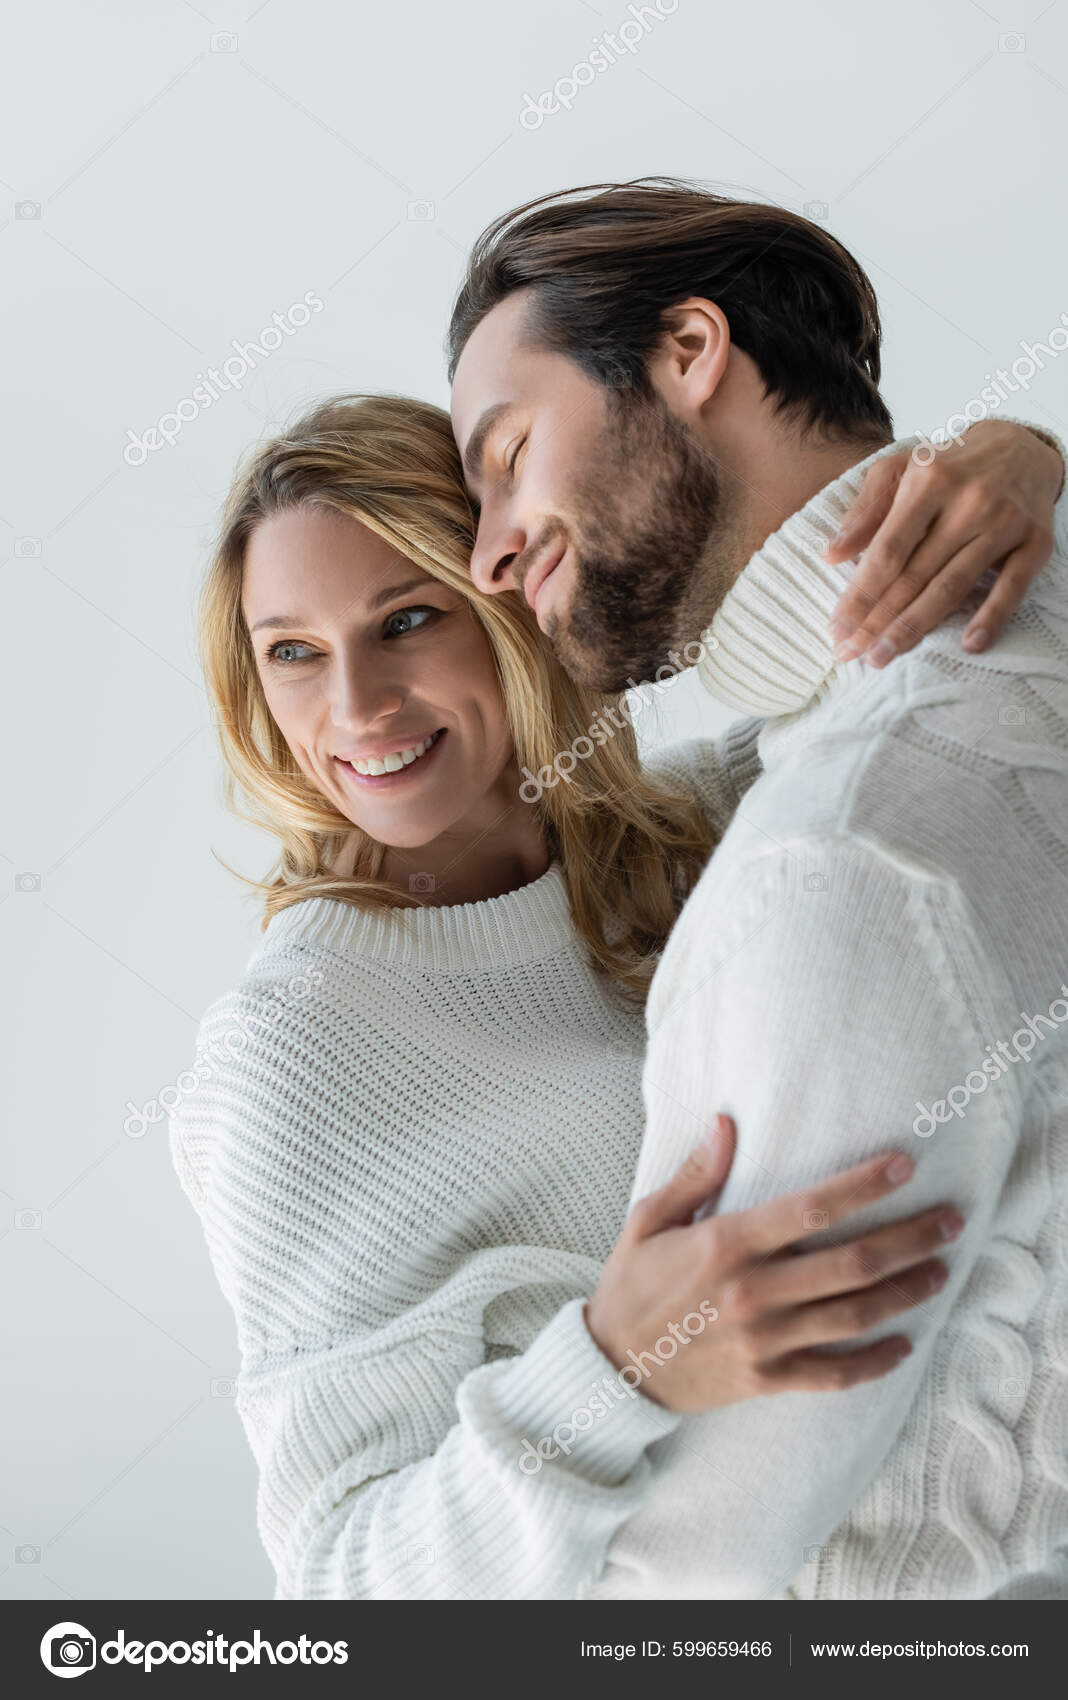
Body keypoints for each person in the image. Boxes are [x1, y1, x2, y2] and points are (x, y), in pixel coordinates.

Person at [166, 391, 1050, 1601]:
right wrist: (616, 1365)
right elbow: (347, 1587)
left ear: (514, 599)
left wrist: (1024, 455)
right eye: (294, 652)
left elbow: (918, 668)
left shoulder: (697, 831)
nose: (358, 707)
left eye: (408, 618)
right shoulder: (292, 1055)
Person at [447, 178, 1068, 1599]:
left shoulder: (831, 869)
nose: (490, 555)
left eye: (508, 454)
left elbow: (684, 1579)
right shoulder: (1015, 613)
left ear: (687, 350)